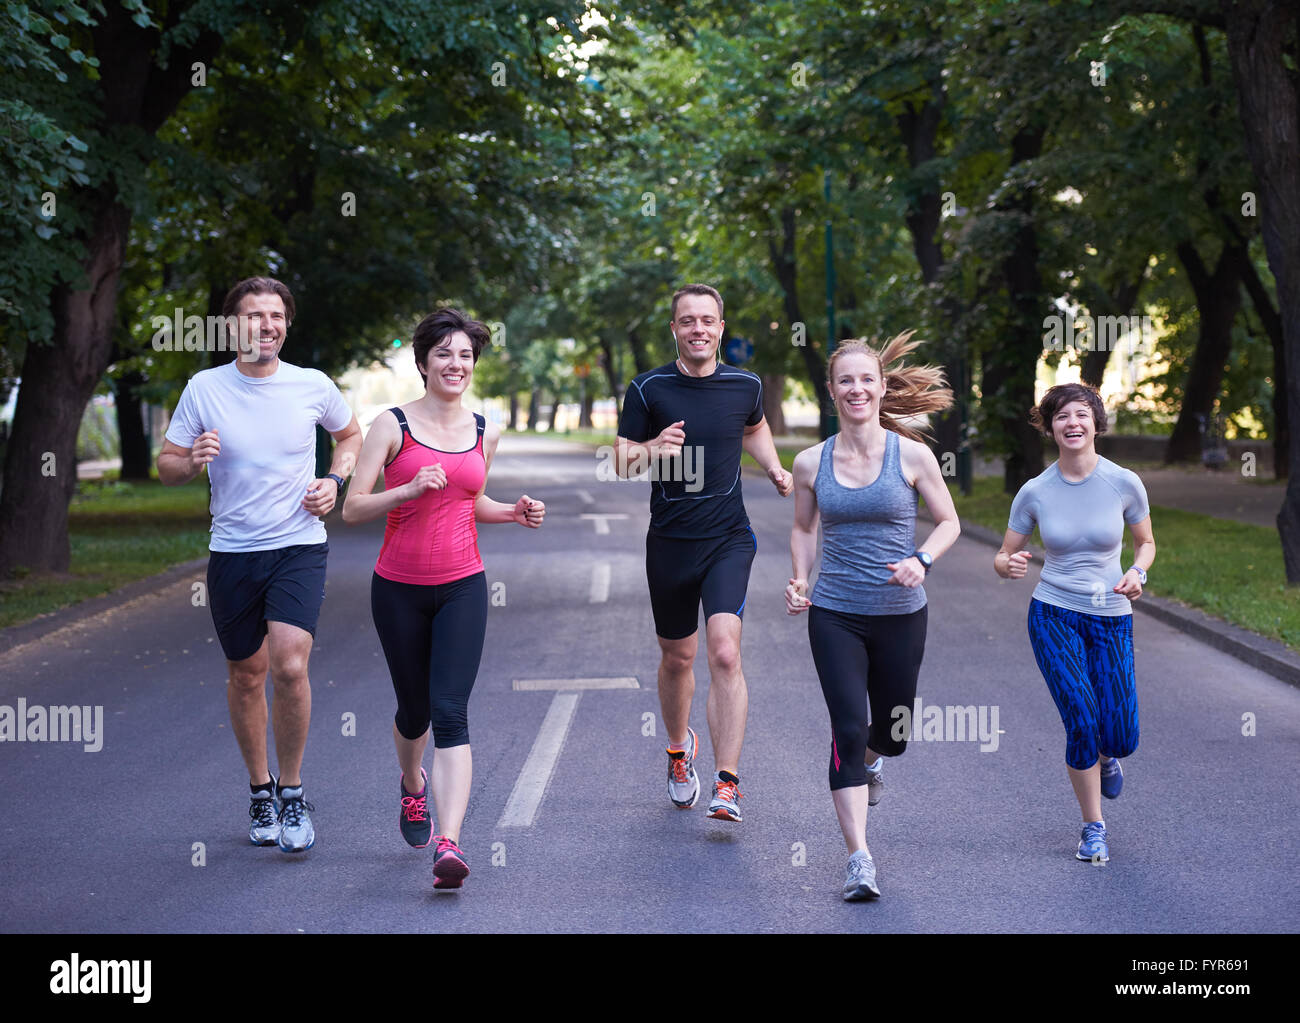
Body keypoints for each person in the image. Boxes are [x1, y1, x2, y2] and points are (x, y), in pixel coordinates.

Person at [342, 307, 544, 891]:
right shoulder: (391, 425)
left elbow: (469, 502)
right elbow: (353, 508)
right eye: (444, 354)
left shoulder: (487, 428)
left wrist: (512, 511)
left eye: (465, 356)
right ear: (423, 361)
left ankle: (451, 843)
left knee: (451, 710)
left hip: (463, 585)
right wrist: (405, 488)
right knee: (415, 712)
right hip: (398, 589)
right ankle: (412, 786)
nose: (455, 365)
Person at [158, 276, 362, 853]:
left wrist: (335, 480)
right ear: (232, 326)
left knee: (290, 666)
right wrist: (190, 460)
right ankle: (259, 789)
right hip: (233, 551)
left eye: (276, 315)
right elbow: (167, 464)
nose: (266, 325)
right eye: (253, 316)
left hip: (299, 545)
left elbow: (349, 435)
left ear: (287, 324)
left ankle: (293, 793)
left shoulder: (312, 385)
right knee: (247, 674)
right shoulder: (204, 389)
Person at [786, 332, 959, 900]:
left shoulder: (911, 456)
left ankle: (873, 761)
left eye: (867, 379)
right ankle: (859, 858)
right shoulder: (811, 461)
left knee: (893, 731)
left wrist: (922, 559)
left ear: (882, 388)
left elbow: (949, 522)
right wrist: (799, 578)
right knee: (846, 725)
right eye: (846, 380)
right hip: (834, 611)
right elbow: (805, 527)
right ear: (831, 391)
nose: (857, 388)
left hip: (900, 614)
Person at [614, 283, 793, 822]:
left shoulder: (745, 384)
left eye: (708, 320)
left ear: (721, 327)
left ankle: (728, 781)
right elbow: (620, 462)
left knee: (724, 652)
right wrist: (651, 449)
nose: (698, 329)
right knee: (678, 657)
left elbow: (754, 429)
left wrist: (775, 467)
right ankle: (678, 751)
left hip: (727, 539)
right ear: (674, 329)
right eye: (687, 320)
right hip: (669, 544)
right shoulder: (647, 388)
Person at [994, 382, 1155, 864]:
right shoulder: (1035, 490)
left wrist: (1137, 571)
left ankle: (1109, 757)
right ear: (1049, 427)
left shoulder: (1123, 482)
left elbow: (1145, 542)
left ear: (1096, 423)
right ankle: (1093, 826)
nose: (1072, 423)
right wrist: (1010, 565)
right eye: (1061, 416)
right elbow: (1004, 554)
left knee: (1122, 734)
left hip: (1111, 615)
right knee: (1082, 720)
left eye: (1081, 414)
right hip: (1054, 614)